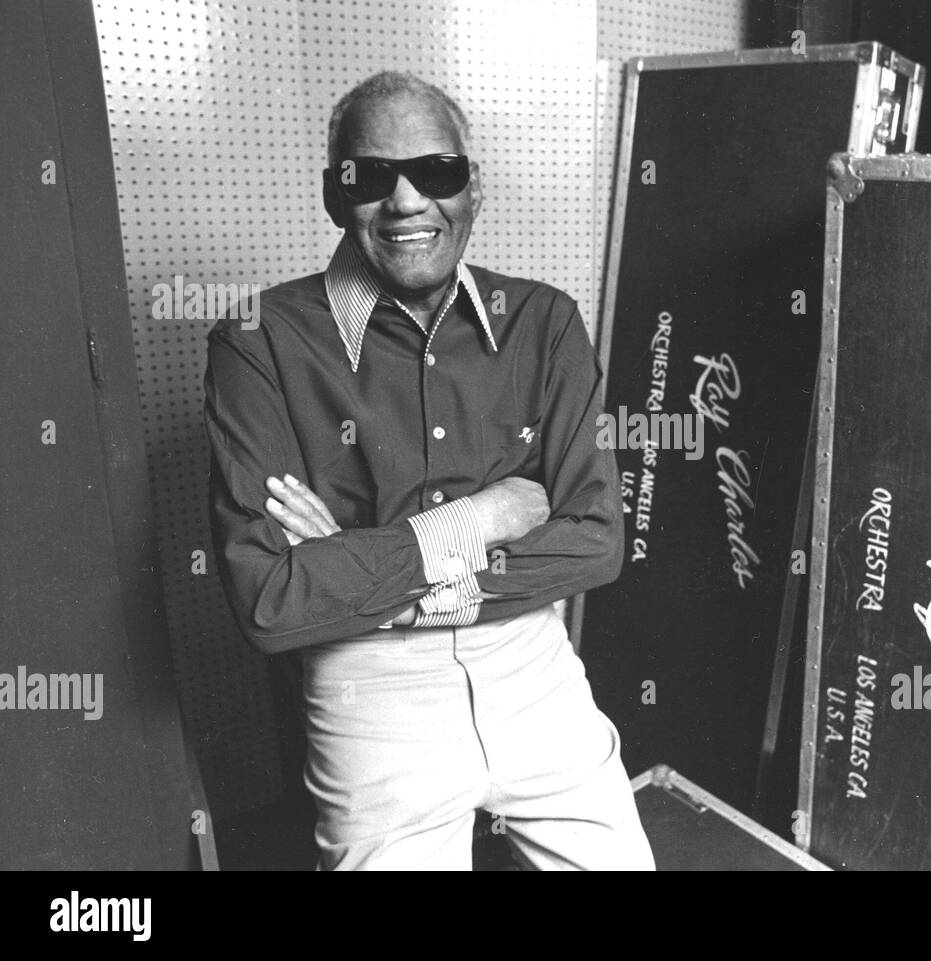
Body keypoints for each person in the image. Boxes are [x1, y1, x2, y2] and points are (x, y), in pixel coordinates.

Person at [203, 70, 653, 870]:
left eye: (436, 173)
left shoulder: (545, 323)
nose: (408, 201)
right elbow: (272, 601)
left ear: (472, 190)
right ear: (332, 194)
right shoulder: (257, 341)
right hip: (368, 686)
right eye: (373, 176)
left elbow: (596, 542)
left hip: (531, 667)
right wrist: (484, 516)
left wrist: (360, 564)